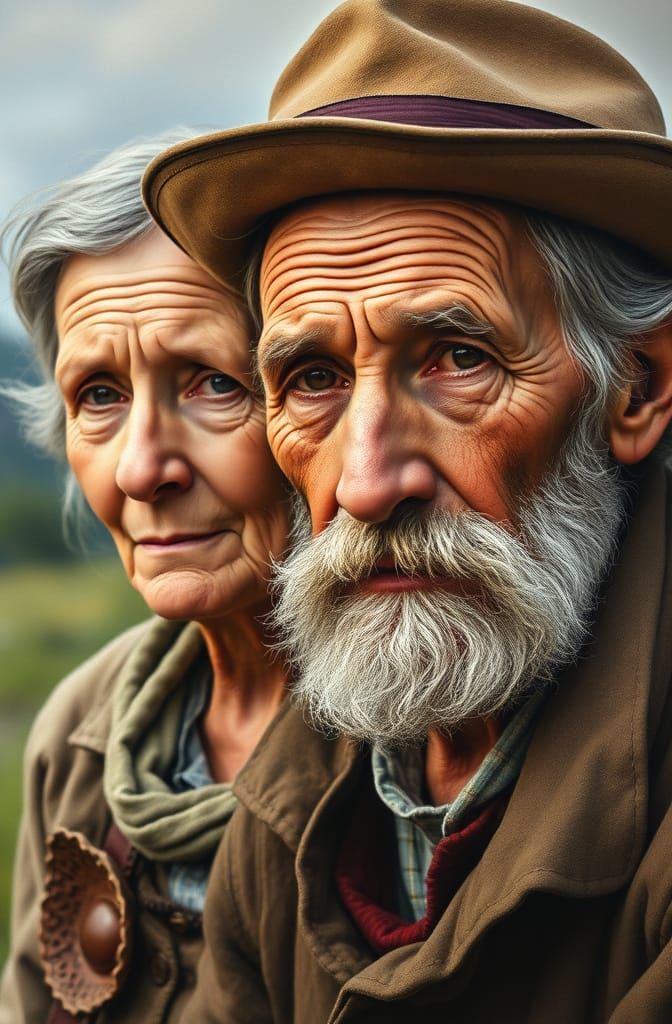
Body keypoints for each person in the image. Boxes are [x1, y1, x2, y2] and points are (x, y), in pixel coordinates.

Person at [143, 1, 672, 1020]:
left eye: (458, 358)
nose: (366, 482)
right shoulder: (298, 796)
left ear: (638, 388)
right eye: (310, 377)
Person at [0, 134, 293, 1024]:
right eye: (99, 396)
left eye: (210, 383)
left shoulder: (424, 747)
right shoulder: (81, 731)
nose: (140, 467)